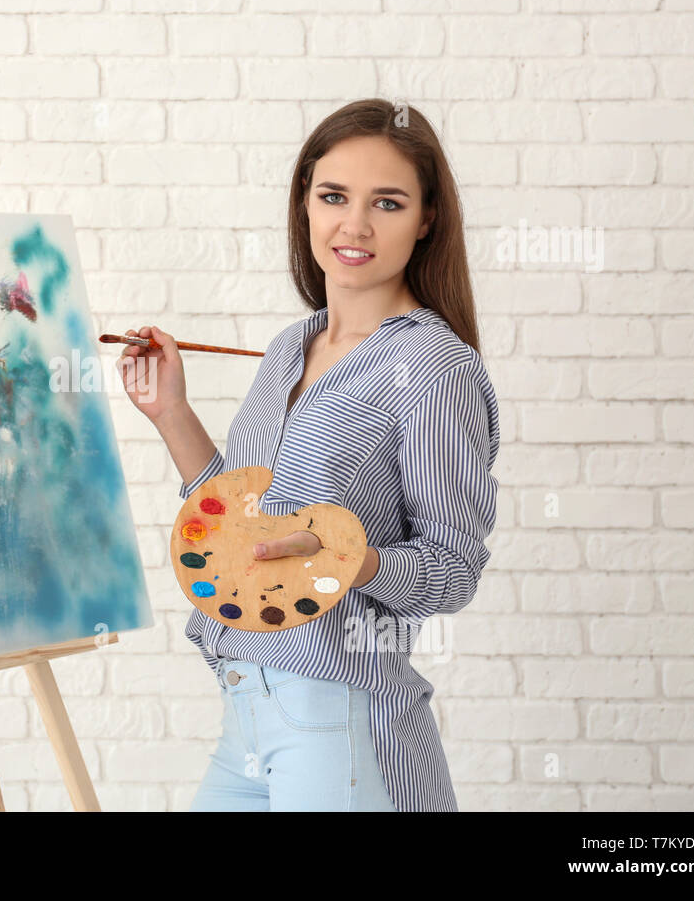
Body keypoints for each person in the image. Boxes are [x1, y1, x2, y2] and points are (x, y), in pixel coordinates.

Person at [117, 99, 500, 812]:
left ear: (427, 219)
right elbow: (240, 526)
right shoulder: (290, 348)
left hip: (336, 716)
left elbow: (453, 569)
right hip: (245, 714)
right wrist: (172, 411)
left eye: (386, 203)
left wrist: (348, 558)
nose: (353, 225)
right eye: (333, 196)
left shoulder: (434, 368)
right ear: (305, 205)